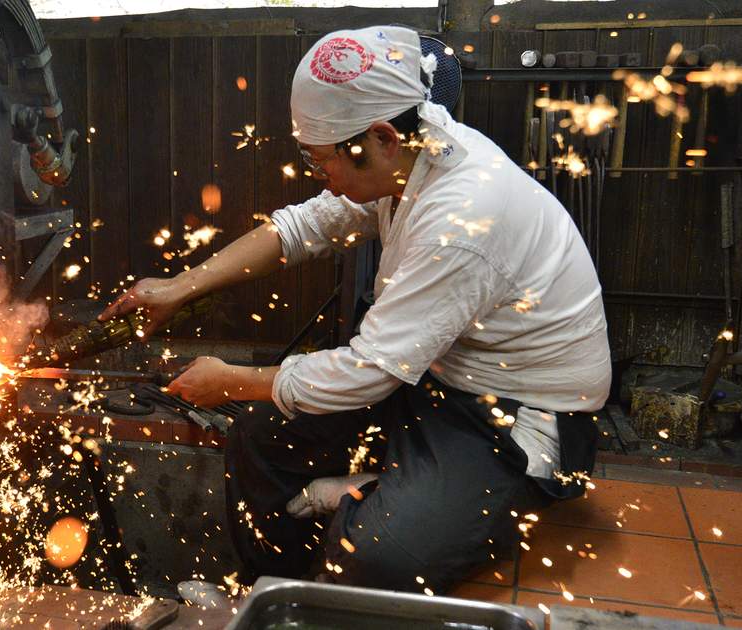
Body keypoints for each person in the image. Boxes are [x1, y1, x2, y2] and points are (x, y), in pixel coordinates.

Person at [99, 25, 611, 594]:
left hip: (514, 417)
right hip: (433, 378)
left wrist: (233, 380)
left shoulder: (463, 216)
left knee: (379, 558)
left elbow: (370, 370)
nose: (321, 177)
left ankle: (365, 500)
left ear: (383, 138)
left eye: (322, 162)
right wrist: (178, 288)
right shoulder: (414, 152)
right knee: (260, 440)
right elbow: (304, 226)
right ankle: (271, 590)